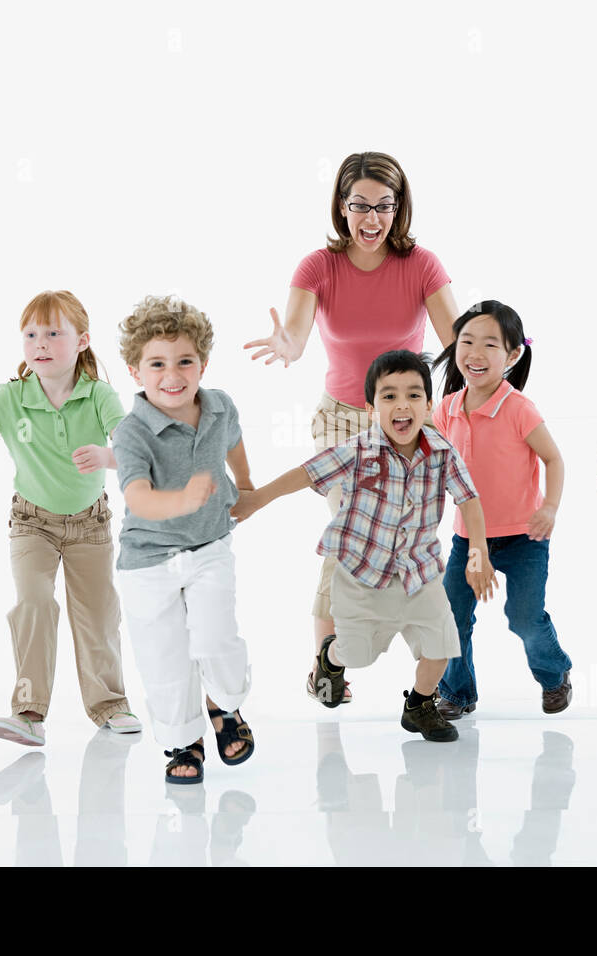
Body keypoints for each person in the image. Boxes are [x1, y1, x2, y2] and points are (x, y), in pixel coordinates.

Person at [244, 151, 459, 704]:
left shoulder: (422, 265)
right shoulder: (318, 266)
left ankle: (433, 665)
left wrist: (494, 351)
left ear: (398, 208)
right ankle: (328, 662)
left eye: (383, 206)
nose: (371, 218)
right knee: (354, 522)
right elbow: (294, 333)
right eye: (359, 205)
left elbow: (456, 340)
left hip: (408, 418)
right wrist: (285, 345)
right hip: (342, 421)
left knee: (409, 535)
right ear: (341, 207)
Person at [0, 290, 142, 745]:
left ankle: (110, 705)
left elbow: (134, 448)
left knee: (97, 615)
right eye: (32, 334)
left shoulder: (99, 395)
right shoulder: (11, 397)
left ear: (81, 342)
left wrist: (106, 457)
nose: (40, 342)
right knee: (34, 603)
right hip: (32, 523)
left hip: (89, 525)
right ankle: (29, 713)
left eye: (54, 333)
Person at [234, 350, 494, 743]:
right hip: (361, 578)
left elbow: (469, 500)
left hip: (419, 573)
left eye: (413, 395)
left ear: (428, 405)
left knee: (442, 645)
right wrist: (258, 498)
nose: (402, 405)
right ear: (371, 408)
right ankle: (330, 660)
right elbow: (305, 473)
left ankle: (420, 705)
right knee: (360, 656)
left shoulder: (442, 452)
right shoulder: (358, 450)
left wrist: (478, 553)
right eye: (389, 396)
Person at [112, 295, 255, 784]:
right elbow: (140, 499)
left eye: (184, 361)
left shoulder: (219, 406)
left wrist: (247, 484)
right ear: (135, 371)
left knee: (216, 635)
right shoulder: (131, 432)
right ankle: (184, 739)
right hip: (146, 563)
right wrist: (185, 499)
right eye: (157, 364)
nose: (172, 374)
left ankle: (224, 703)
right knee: (164, 657)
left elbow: (232, 441)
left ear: (203, 364)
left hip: (211, 544)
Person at [430, 300, 574, 719]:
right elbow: (433, 465)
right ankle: (457, 693)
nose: (475, 353)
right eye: (467, 341)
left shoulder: (518, 408)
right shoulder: (447, 409)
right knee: (452, 617)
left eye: (489, 345)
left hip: (524, 537)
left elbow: (555, 459)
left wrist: (549, 507)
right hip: (467, 538)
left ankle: (555, 674)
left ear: (512, 356)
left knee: (523, 617)